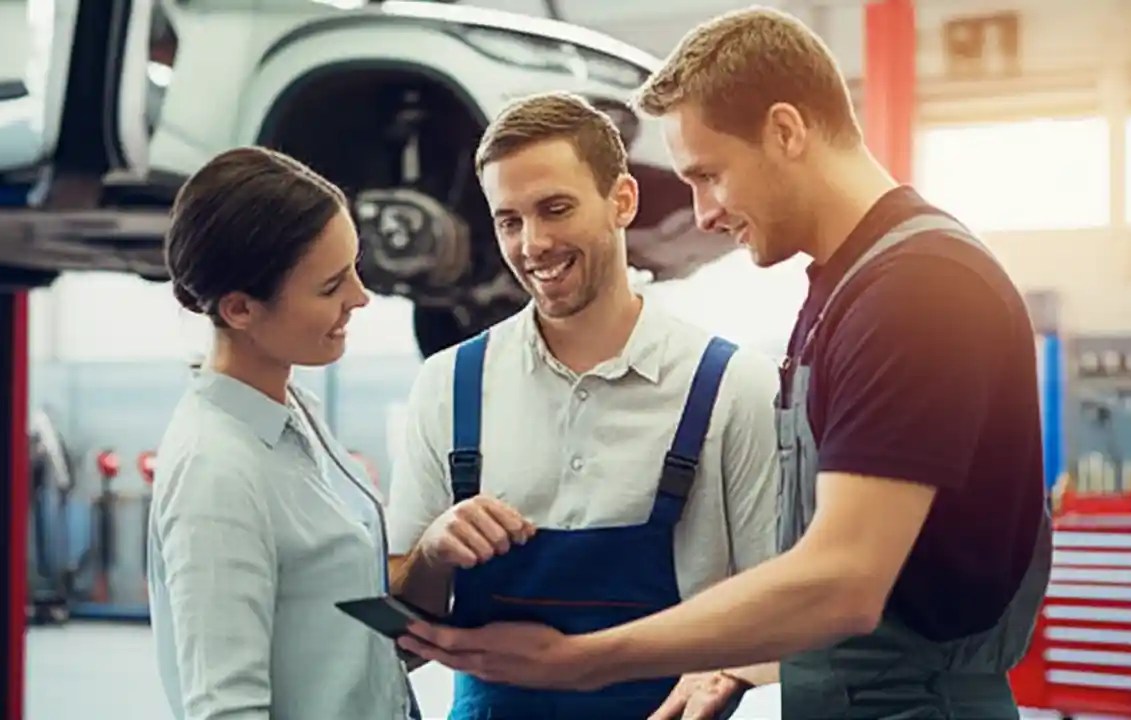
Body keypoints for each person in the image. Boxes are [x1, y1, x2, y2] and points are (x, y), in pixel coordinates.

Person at [397, 7, 1053, 720]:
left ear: (786, 130)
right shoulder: (846, 292)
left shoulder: (915, 291)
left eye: (710, 175)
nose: (703, 213)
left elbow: (843, 581)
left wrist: (586, 661)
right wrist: (739, 664)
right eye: (509, 220)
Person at [383, 91, 780, 719]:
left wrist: (729, 669)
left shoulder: (735, 387)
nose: (533, 243)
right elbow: (400, 643)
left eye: (555, 209)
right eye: (509, 220)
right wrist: (433, 550)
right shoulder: (448, 386)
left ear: (622, 200)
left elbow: (784, 611)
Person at [146, 146, 418, 720]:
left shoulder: (296, 411)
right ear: (241, 309)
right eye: (331, 286)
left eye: (355, 269)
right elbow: (226, 707)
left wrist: (435, 564)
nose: (361, 298)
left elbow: (336, 614)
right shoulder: (216, 471)